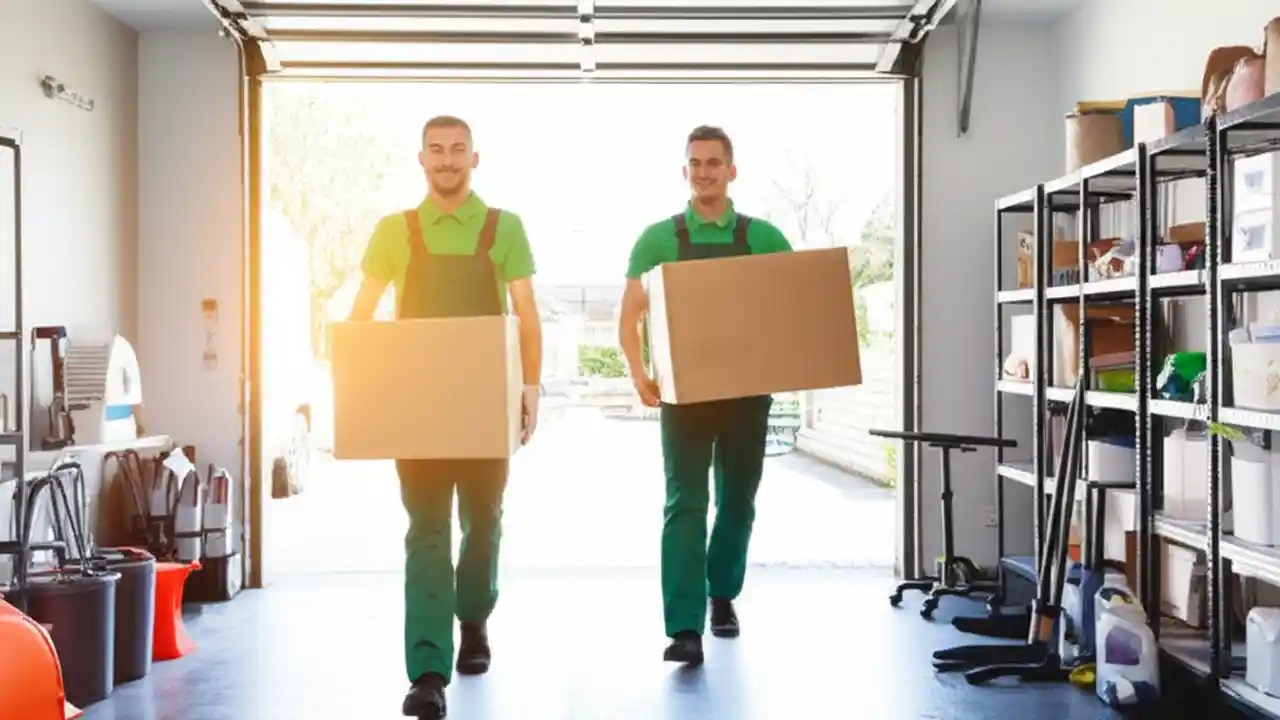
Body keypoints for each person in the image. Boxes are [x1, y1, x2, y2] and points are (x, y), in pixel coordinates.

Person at [348, 115, 542, 719]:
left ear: (474, 159)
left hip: (484, 405)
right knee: (427, 530)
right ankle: (429, 671)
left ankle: (474, 618)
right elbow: (362, 314)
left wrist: (529, 388)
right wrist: (360, 388)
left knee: (483, 523)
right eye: (437, 150)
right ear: (422, 159)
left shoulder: (504, 228)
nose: (448, 160)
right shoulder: (394, 231)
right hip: (420, 407)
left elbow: (526, 312)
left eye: (458, 149)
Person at [617, 125, 793, 666]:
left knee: (737, 500)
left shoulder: (764, 238)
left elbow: (796, 306)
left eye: (713, 162)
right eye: (695, 163)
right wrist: (637, 373)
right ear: (685, 171)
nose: (704, 172)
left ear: (731, 171)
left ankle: (722, 593)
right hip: (684, 396)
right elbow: (630, 315)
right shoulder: (658, 240)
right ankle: (684, 628)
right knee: (685, 504)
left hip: (747, 393)